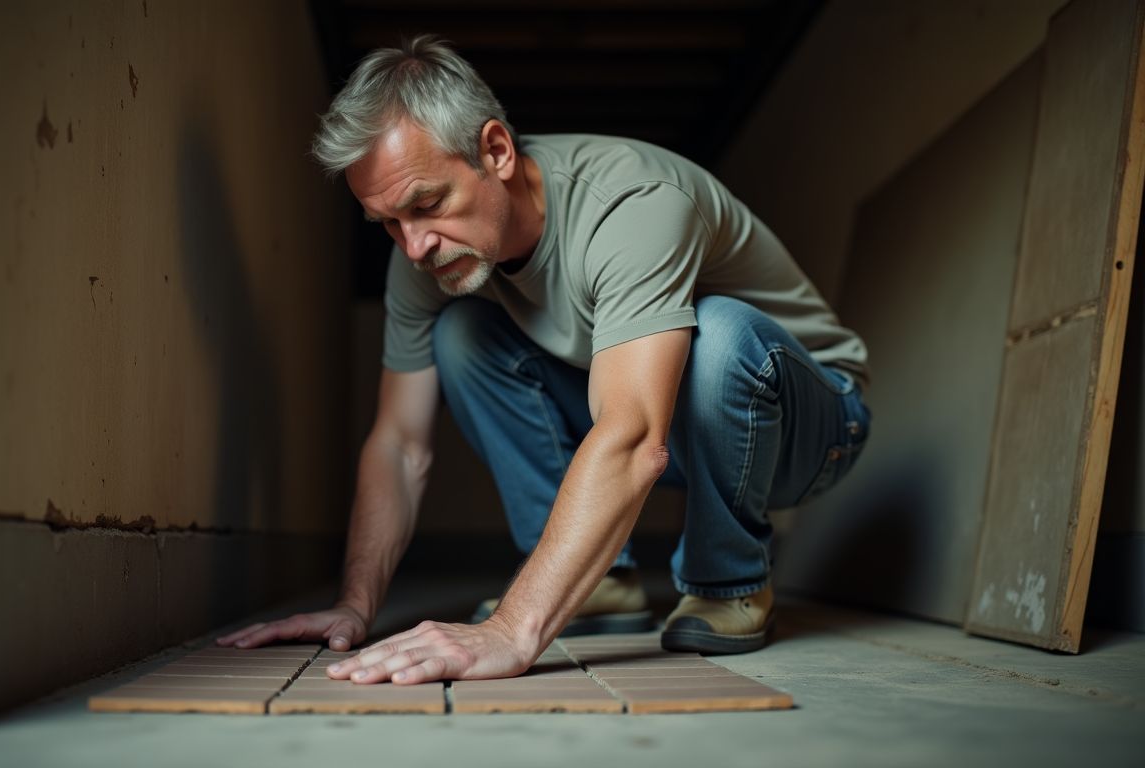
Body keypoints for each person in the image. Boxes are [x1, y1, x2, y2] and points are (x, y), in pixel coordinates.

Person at [216, 35, 870, 685]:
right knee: (462, 336)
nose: (413, 246)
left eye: (426, 206)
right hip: (678, 422)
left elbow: (634, 436)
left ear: (496, 151)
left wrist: (513, 629)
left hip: (809, 426)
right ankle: (598, 587)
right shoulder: (421, 251)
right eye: (386, 222)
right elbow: (399, 443)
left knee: (719, 331)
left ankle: (729, 581)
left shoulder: (632, 204)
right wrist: (354, 606)